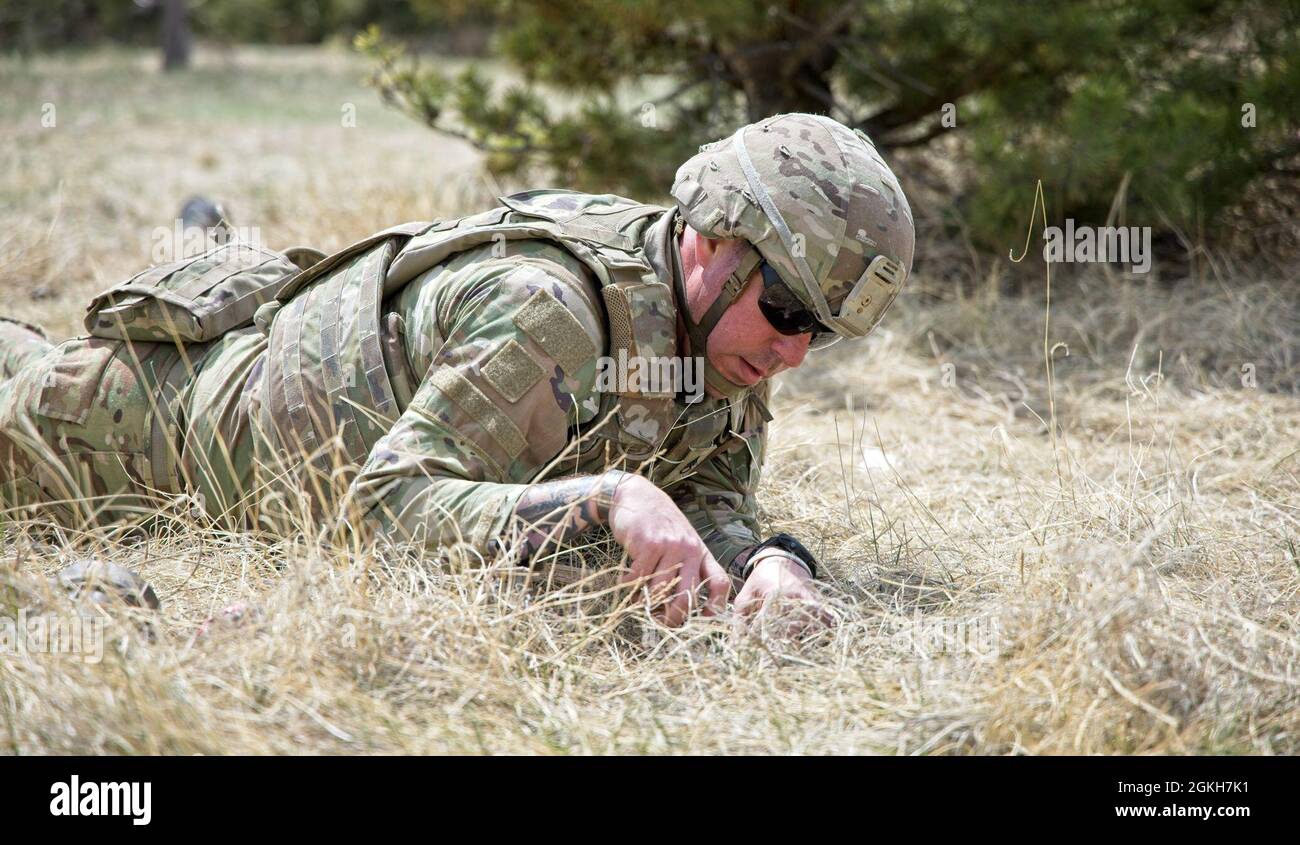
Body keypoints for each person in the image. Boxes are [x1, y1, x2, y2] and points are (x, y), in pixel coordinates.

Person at [0, 112, 914, 629]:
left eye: (820, 334)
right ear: (714, 239)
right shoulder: (551, 313)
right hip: (164, 433)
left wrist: (766, 561)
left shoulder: (721, 346)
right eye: (789, 311)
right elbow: (383, 506)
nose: (793, 352)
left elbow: (708, 484)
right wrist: (606, 500)